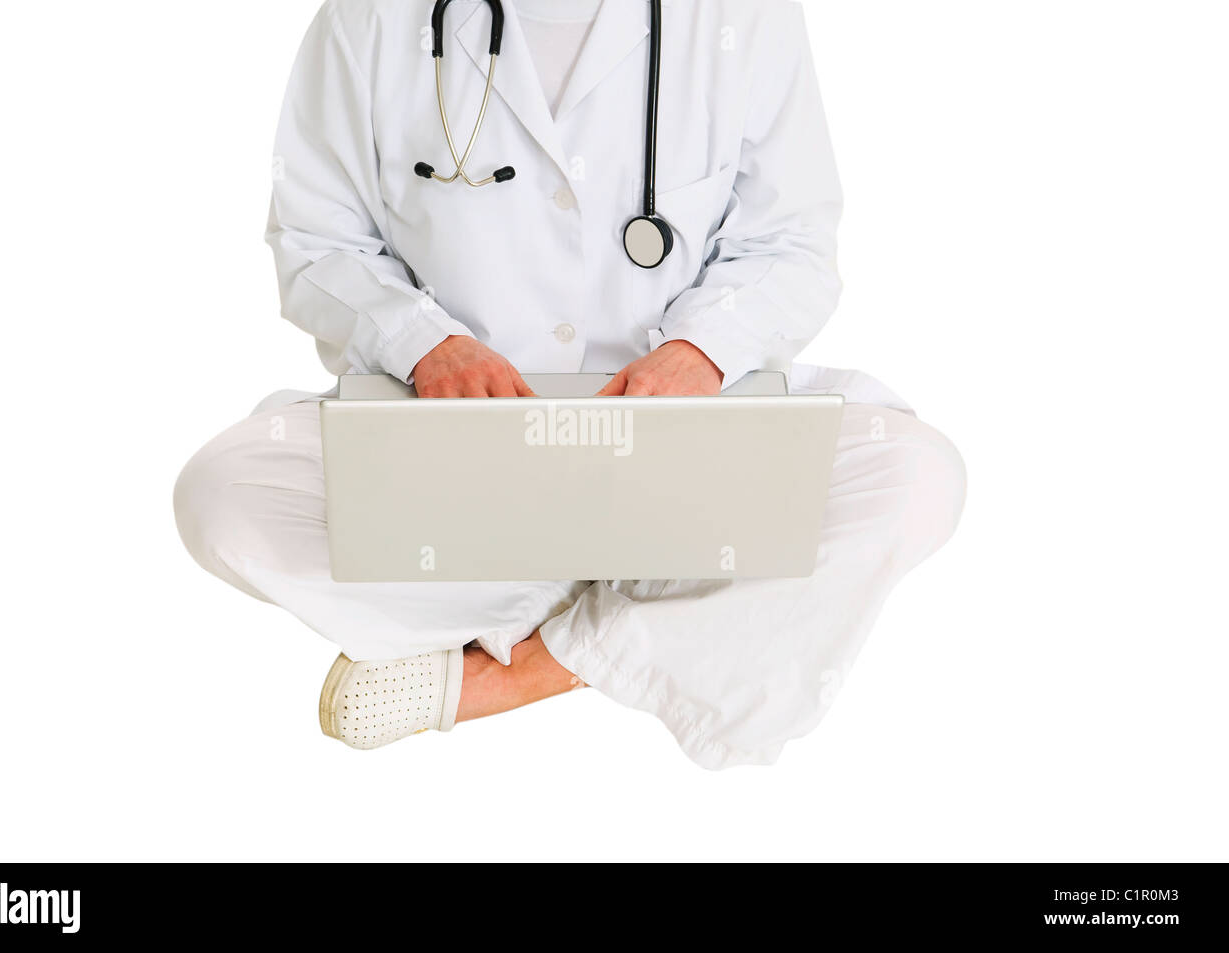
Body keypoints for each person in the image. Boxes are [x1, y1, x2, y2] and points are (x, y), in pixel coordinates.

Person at [173, 0, 966, 770]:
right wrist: (425, 344)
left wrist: (701, 350)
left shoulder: (744, 13)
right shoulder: (369, 16)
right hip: (458, 459)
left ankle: (524, 667)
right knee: (221, 499)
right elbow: (315, 241)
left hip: (689, 453)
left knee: (918, 478)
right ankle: (672, 613)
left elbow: (793, 242)